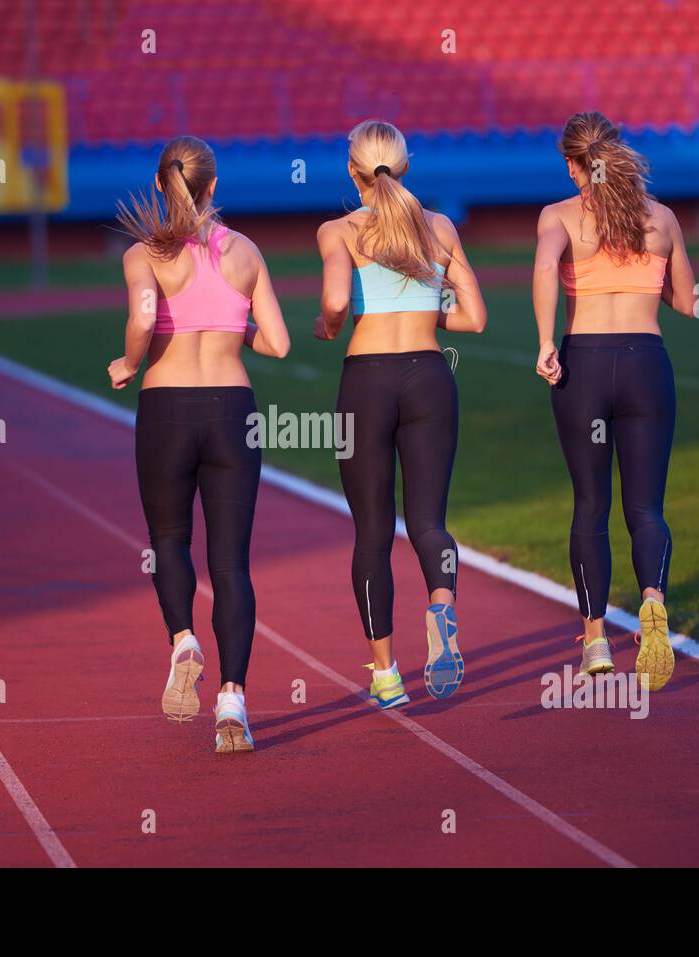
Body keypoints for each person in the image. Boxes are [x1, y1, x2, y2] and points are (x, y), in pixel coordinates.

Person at [110, 135, 290, 751]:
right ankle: (233, 703)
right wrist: (229, 330)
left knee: (168, 539)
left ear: (161, 185)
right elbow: (279, 342)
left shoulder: (145, 255)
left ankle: (183, 640)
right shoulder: (244, 251)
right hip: (232, 410)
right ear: (214, 185)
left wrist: (130, 364)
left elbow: (141, 318)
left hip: (166, 407)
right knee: (233, 563)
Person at [314, 119, 487, 708]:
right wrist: (422, 309)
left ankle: (386, 674)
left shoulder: (338, 229)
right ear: (405, 165)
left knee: (371, 532)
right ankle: (441, 608)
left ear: (352, 172)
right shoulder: (439, 226)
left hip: (368, 380)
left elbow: (337, 300)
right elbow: (474, 317)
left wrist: (329, 325)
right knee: (429, 522)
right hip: (431, 377)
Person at [531, 111, 695, 690]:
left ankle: (596, 637)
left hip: (587, 366)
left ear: (575, 165)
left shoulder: (560, 216)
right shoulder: (662, 216)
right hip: (648, 363)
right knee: (646, 507)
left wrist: (548, 341)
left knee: (590, 505)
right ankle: (653, 599)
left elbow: (549, 263)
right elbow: (688, 302)